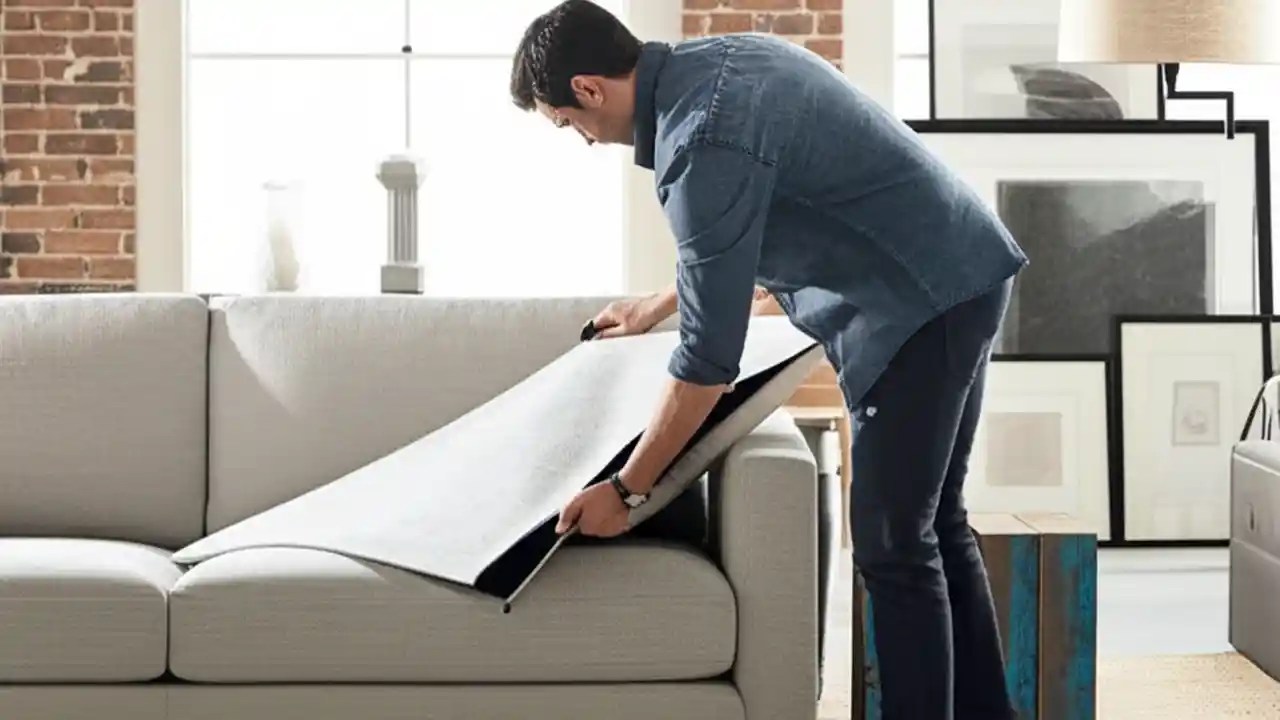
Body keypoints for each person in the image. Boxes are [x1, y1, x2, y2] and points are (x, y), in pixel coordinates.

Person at [510, 2, 1028, 718]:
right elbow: (755, 227)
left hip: (919, 302)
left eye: (569, 123)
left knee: (891, 544)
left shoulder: (699, 142)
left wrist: (628, 494)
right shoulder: (725, 65)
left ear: (590, 89)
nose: (584, 140)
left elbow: (707, 360)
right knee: (932, 525)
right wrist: (654, 305)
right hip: (966, 268)